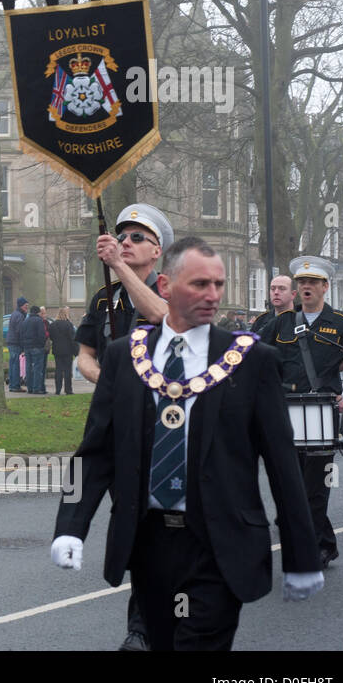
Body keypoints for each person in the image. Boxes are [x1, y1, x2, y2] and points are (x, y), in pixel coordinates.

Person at [51, 237, 324, 651]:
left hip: (218, 543)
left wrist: (302, 555)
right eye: (199, 284)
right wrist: (70, 526)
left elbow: (283, 464)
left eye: (218, 284)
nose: (212, 296)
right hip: (148, 544)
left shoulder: (251, 361)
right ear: (164, 286)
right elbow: (93, 453)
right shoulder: (125, 357)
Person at [73, 202, 172, 652]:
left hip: (165, 429)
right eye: (121, 236)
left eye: (136, 239)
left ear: (157, 252)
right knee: (129, 521)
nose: (125, 243)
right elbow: (85, 357)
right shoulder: (102, 298)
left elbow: (161, 317)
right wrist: (108, 379)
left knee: (159, 528)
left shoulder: (170, 288)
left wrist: (118, 266)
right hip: (118, 425)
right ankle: (145, 619)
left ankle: (145, 626)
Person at [258, 256, 343, 568]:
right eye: (302, 282)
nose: (306, 286)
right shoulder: (281, 323)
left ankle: (317, 546)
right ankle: (321, 542)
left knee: (317, 485)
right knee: (289, 484)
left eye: (312, 282)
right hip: (287, 409)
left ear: (325, 287)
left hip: (321, 410)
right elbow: (253, 352)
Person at [49, 306, 77, 396]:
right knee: (67, 371)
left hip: (57, 350)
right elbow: (72, 339)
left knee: (58, 369)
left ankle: (57, 389)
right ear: (65, 314)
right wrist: (76, 351)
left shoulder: (52, 325)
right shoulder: (68, 325)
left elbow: (51, 337)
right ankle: (68, 390)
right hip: (67, 350)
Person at [22, 303, 48, 394]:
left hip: (27, 347)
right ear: (37, 312)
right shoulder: (38, 320)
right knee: (37, 368)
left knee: (28, 368)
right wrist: (41, 345)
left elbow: (22, 334)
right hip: (37, 347)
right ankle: (36, 389)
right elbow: (42, 334)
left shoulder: (26, 321)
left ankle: (29, 388)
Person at [7, 297, 28, 392]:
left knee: (12, 364)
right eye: (25, 305)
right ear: (21, 305)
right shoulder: (20, 315)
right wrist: (23, 345)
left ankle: (12, 385)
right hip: (16, 343)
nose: (27, 307)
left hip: (11, 342)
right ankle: (15, 386)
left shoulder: (14, 314)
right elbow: (20, 331)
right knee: (15, 365)